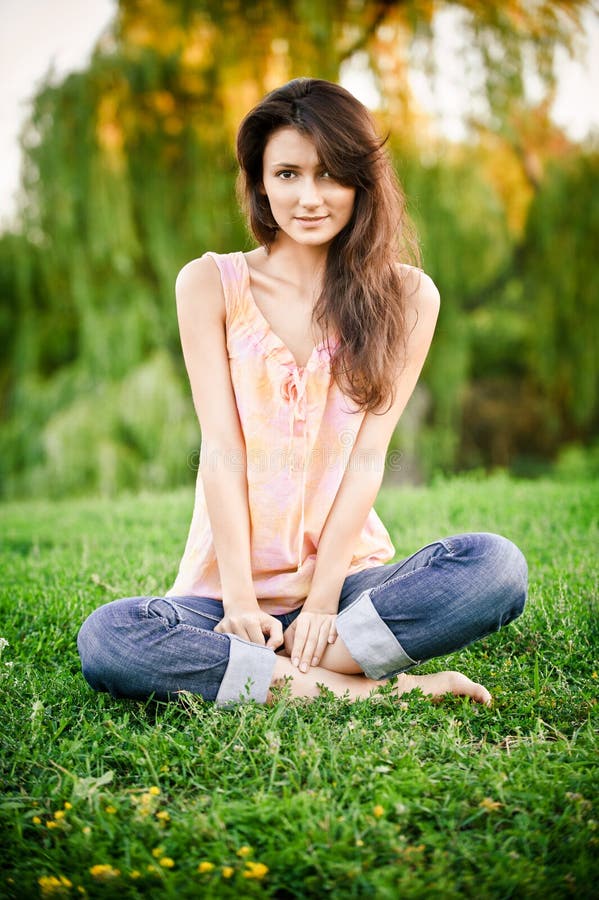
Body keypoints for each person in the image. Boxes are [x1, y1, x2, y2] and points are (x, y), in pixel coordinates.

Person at [77, 78, 528, 708]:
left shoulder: (408, 297)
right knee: (109, 638)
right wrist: (238, 604)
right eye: (287, 174)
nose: (308, 197)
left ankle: (280, 674)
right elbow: (221, 448)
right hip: (223, 596)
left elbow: (370, 456)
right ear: (260, 181)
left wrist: (320, 604)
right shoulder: (210, 284)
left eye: (331, 175)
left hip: (347, 591)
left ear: (361, 182)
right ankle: (366, 693)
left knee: (497, 567)